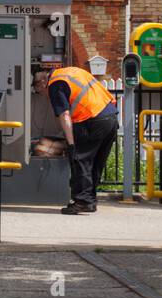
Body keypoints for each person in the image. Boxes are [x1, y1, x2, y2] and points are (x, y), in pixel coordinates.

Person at [32, 65, 119, 215]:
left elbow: (64, 116)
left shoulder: (55, 84)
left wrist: (71, 144)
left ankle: (82, 202)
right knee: (96, 162)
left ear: (41, 83)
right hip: (110, 117)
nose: (45, 96)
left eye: (40, 92)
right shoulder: (71, 71)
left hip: (91, 120)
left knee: (80, 159)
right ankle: (90, 200)